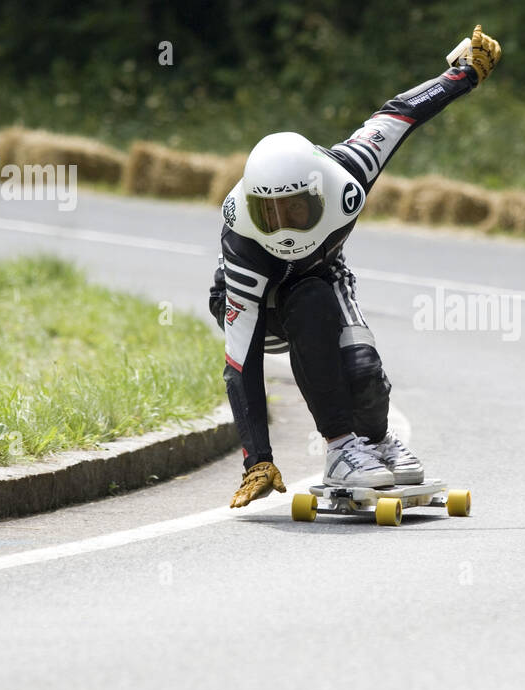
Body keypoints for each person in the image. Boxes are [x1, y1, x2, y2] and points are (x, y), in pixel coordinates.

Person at [209, 25, 502, 507]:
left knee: (362, 366)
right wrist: (256, 458)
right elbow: (242, 362)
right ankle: (340, 448)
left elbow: (399, 115)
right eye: (271, 213)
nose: (283, 228)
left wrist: (464, 74)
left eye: (296, 209)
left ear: (320, 190)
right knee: (309, 304)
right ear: (252, 207)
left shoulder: (348, 169)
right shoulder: (242, 235)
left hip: (324, 273)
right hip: (258, 304)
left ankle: (375, 440)